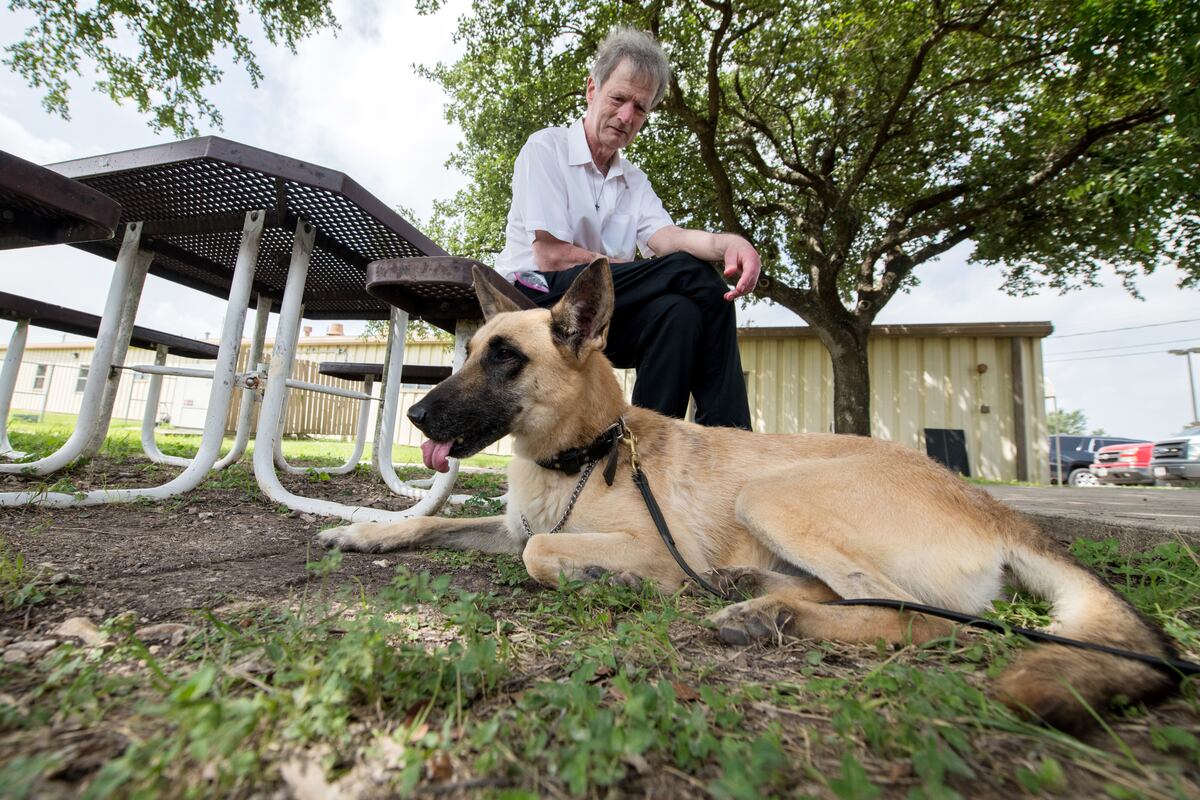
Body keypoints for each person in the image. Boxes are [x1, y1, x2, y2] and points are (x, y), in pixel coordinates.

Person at [495, 26, 759, 430]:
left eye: (640, 108)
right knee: (687, 273)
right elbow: (550, 254)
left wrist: (729, 243)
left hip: (596, 314)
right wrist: (624, 266)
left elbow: (667, 238)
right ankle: (732, 432)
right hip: (534, 299)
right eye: (618, 98)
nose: (626, 116)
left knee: (681, 311)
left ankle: (647, 451)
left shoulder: (633, 180)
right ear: (592, 90)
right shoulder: (546, 148)